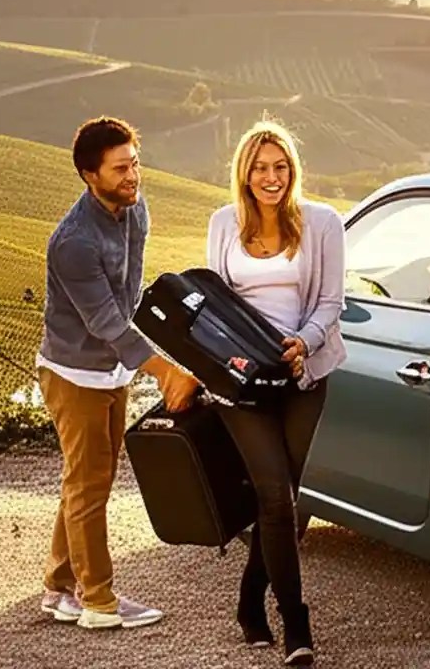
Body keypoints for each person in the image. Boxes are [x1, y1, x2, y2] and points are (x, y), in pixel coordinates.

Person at [35, 116, 200, 630]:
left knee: (91, 480)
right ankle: (99, 600)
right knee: (89, 484)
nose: (133, 175)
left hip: (111, 369)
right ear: (90, 175)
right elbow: (105, 319)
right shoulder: (73, 242)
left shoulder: (135, 209)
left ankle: (60, 587)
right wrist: (166, 373)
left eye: (135, 163)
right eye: (120, 168)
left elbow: (131, 295)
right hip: (74, 373)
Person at [204, 119, 346, 665]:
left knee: (286, 498)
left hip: (302, 374)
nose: (272, 178)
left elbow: (331, 302)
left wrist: (305, 342)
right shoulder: (222, 224)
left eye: (281, 167)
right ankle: (297, 623)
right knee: (273, 496)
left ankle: (248, 596)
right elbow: (212, 303)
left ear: (293, 171)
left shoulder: (323, 222)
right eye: (261, 168)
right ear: (245, 173)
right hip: (242, 383)